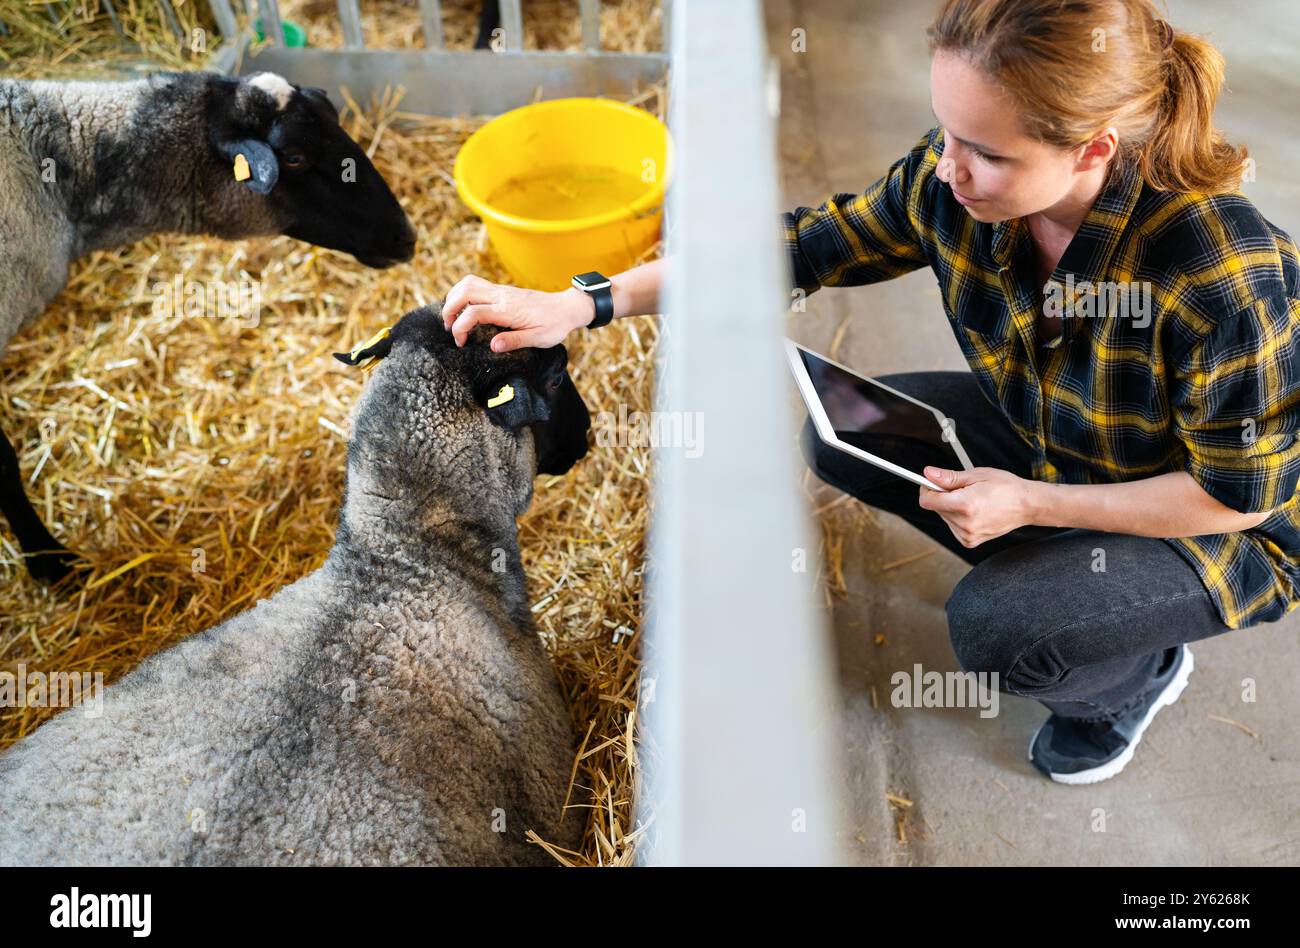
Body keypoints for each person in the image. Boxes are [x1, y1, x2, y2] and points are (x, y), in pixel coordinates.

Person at [440, 0, 1300, 785]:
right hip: (1067, 439)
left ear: (1093, 150)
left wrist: (1032, 504)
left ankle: (1133, 677)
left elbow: (1233, 497)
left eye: (987, 153)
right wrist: (585, 301)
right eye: (946, 131)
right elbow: (804, 248)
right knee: (848, 428)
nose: (949, 168)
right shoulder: (951, 180)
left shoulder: (1217, 274)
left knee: (998, 629)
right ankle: (1073, 581)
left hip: (1226, 516)